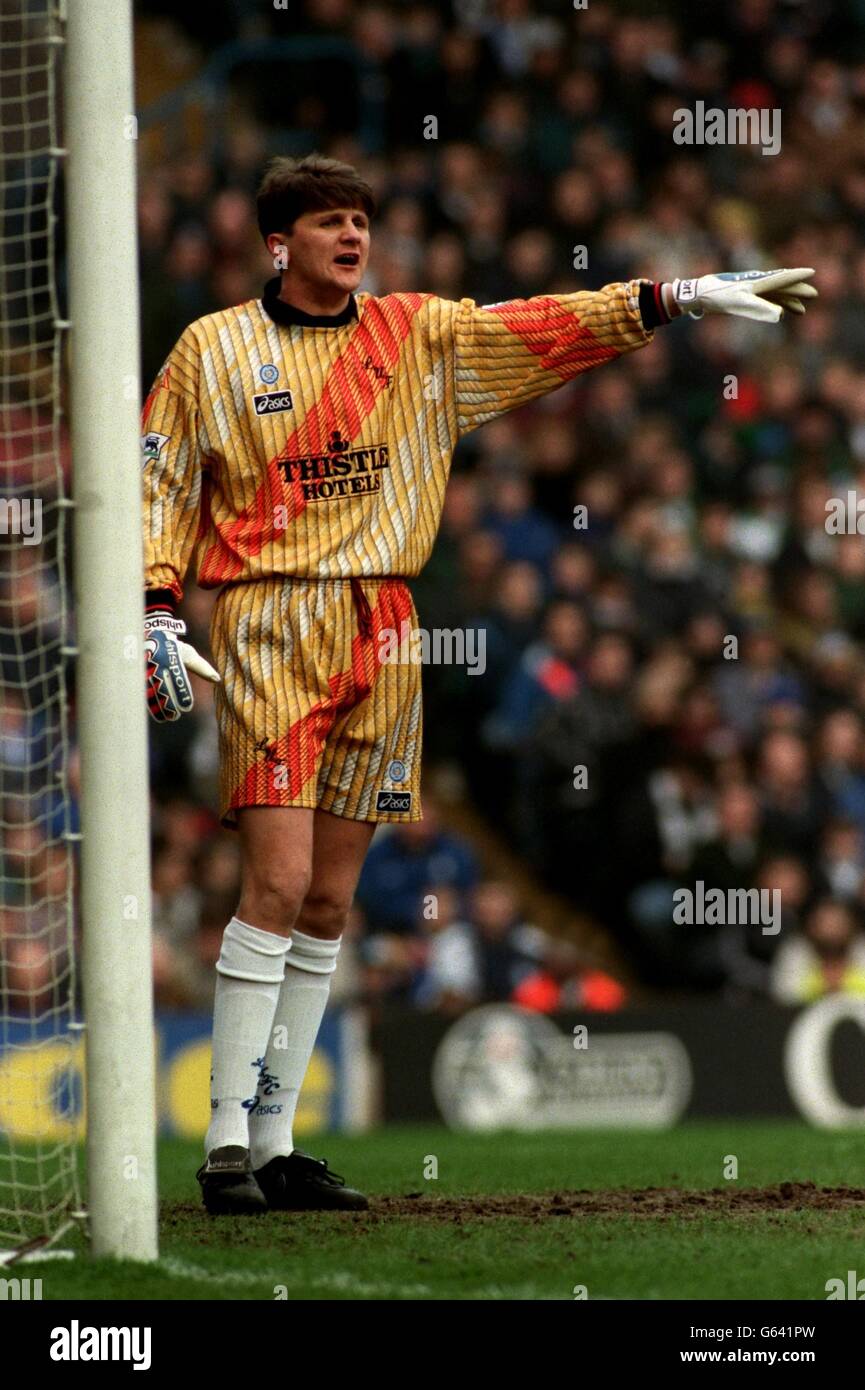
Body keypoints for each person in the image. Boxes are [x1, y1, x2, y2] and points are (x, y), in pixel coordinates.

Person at [140, 153, 817, 1215]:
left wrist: (673, 296)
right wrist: (152, 605)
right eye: (328, 222)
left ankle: (275, 1142)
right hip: (273, 616)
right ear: (280, 243)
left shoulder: (414, 336)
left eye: (361, 218)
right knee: (273, 882)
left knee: (328, 900)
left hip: (387, 628)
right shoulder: (212, 351)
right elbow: (162, 480)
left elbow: (543, 324)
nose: (352, 236)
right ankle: (223, 1140)